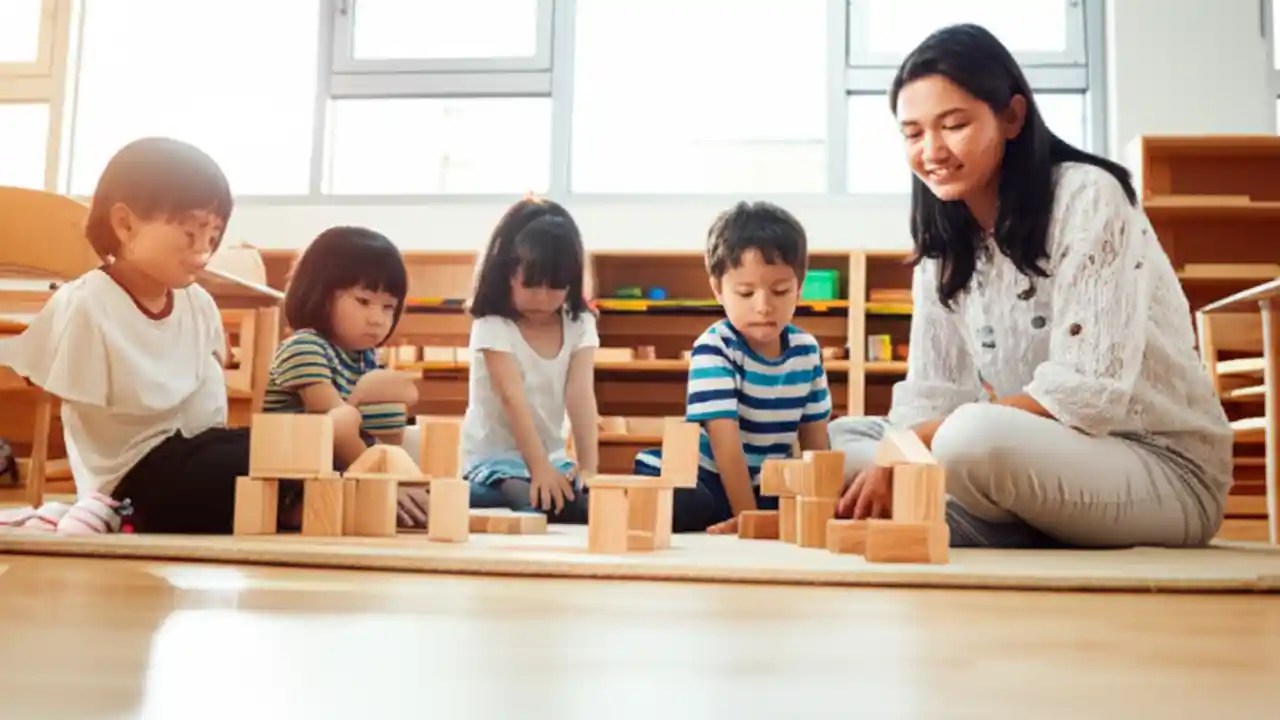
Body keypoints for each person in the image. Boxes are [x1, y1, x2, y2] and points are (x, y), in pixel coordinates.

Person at [829, 24, 1232, 548]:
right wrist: (899, 447)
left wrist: (913, 446)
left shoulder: (1089, 195)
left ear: (1012, 116)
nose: (932, 150)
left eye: (953, 125)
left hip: (1157, 467)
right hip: (1039, 460)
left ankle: (975, 519)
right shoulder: (944, 242)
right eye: (912, 133)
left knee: (969, 441)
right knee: (836, 444)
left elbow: (1087, 393)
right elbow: (932, 392)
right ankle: (999, 521)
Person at [0, 137, 243, 533]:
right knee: (242, 473)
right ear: (125, 224)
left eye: (212, 238)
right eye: (189, 234)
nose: (203, 252)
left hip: (197, 453)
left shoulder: (198, 304)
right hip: (131, 478)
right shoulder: (86, 301)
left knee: (270, 456)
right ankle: (107, 512)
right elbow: (36, 372)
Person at [636, 201, 833, 533]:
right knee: (690, 503)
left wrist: (823, 507)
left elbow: (816, 442)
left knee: (793, 505)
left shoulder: (806, 351)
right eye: (745, 293)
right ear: (718, 290)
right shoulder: (715, 347)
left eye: (780, 291)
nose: (763, 306)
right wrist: (748, 518)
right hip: (708, 475)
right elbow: (723, 441)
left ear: (799, 288)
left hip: (765, 480)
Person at [262, 225, 425, 527]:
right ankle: (309, 511)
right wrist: (382, 480)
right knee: (344, 419)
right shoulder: (305, 346)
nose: (377, 319)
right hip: (298, 475)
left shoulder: (365, 357)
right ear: (319, 293)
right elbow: (335, 428)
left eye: (388, 307)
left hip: (347, 470)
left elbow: (389, 421)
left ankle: (384, 499)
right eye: (363, 302)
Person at [461, 196, 598, 521]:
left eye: (556, 287)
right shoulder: (493, 325)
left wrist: (590, 470)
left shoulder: (580, 324)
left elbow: (581, 397)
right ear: (505, 272)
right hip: (492, 460)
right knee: (527, 496)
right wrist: (537, 470)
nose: (542, 298)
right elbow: (512, 398)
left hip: (550, 457)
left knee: (577, 497)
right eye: (531, 284)